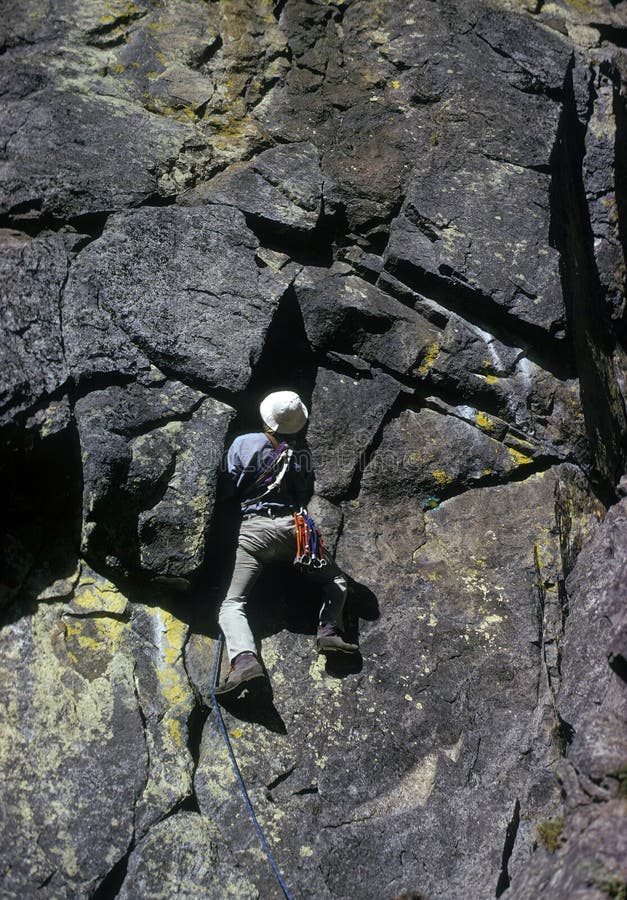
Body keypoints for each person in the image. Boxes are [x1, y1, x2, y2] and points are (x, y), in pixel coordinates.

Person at [215, 390, 358, 699]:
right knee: (335, 579)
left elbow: (227, 490)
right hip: (293, 533)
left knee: (232, 603)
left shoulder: (243, 444)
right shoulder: (301, 454)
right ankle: (329, 631)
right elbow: (304, 494)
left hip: (253, 533)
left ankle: (244, 661)